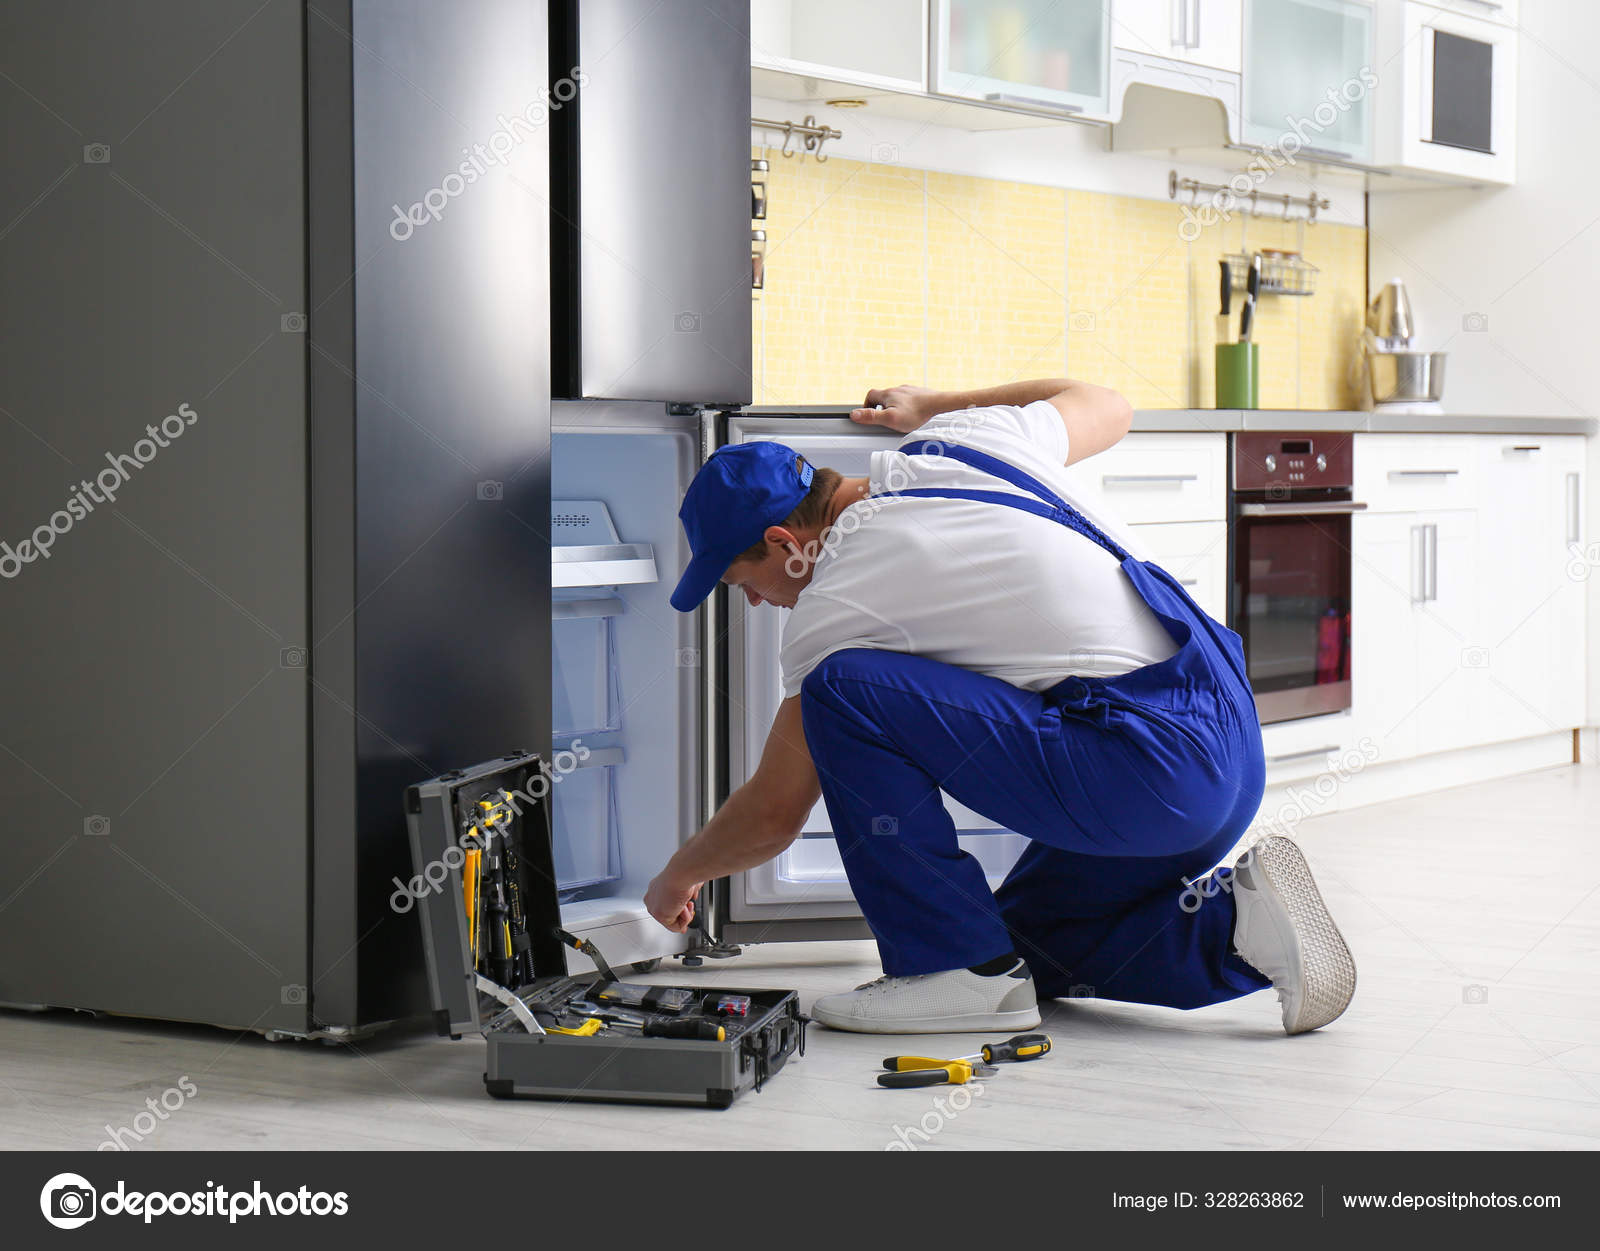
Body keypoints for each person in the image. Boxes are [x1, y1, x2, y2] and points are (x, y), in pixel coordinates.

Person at [643, 379, 1356, 1036]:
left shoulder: (834, 602)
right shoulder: (970, 438)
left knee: (840, 690)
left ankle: (950, 969)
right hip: (1224, 743)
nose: (756, 601)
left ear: (782, 542)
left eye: (743, 582)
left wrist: (679, 874)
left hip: (1150, 771)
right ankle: (1240, 926)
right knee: (1023, 945)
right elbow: (1109, 403)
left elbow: (775, 808)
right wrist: (940, 406)